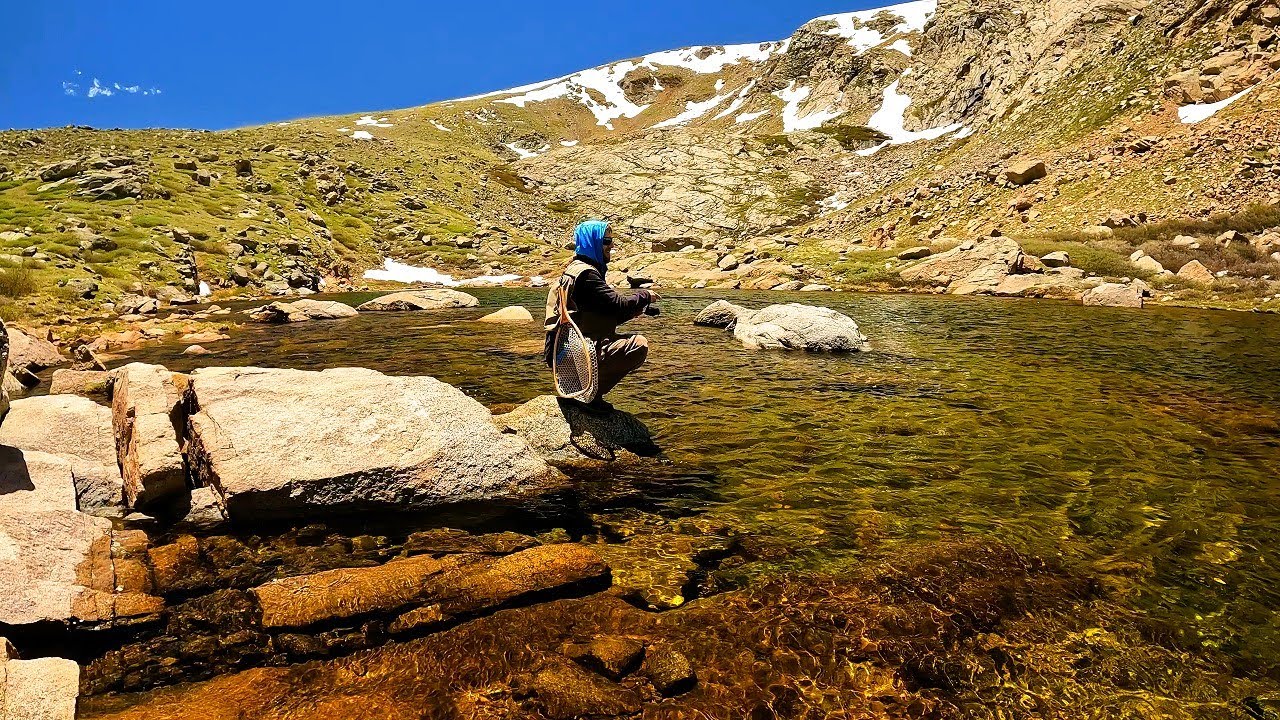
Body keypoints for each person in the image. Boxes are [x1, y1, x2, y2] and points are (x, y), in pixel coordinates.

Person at [544, 220, 658, 409]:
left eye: (611, 240)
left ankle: (584, 391)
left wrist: (634, 312)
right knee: (638, 346)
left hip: (570, 354)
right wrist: (646, 295)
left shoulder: (576, 269)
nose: (611, 245)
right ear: (592, 242)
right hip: (577, 356)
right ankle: (589, 396)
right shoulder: (587, 275)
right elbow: (617, 303)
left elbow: (601, 312)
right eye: (606, 241)